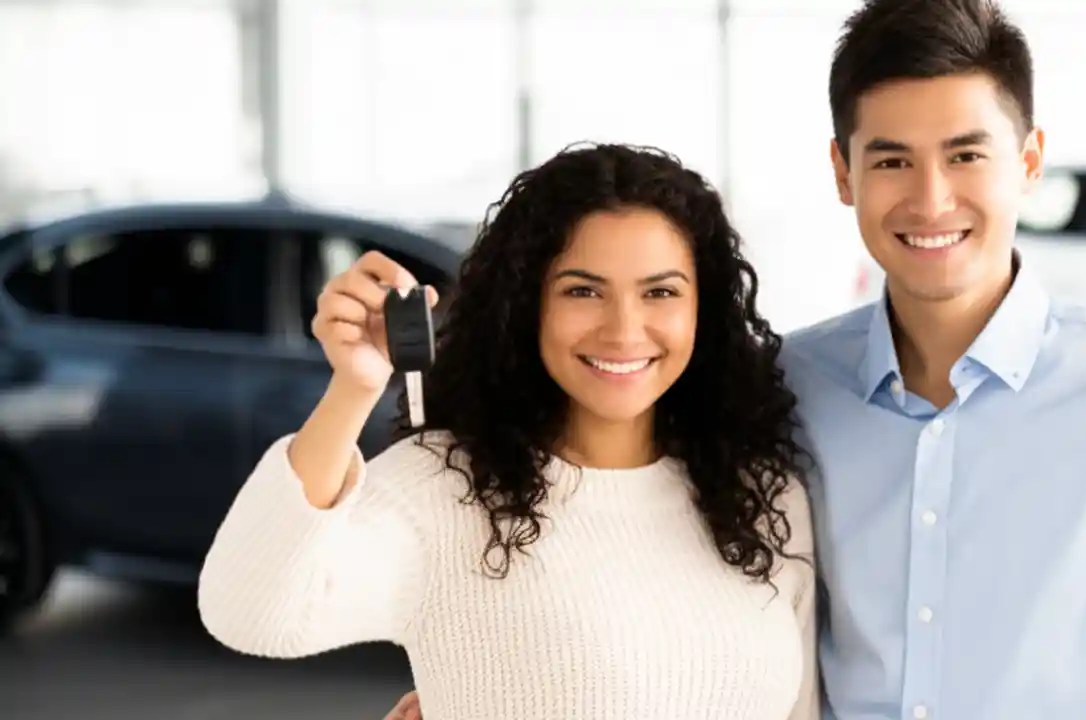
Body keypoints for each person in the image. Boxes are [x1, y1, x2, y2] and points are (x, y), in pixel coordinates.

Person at [389, 1, 1086, 717]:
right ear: (843, 173)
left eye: (967, 154)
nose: (931, 198)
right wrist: (491, 680)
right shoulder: (783, 386)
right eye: (891, 158)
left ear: (1029, 161)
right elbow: (640, 537)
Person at [197, 143, 819, 719]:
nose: (625, 330)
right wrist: (354, 388)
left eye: (660, 291)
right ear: (529, 306)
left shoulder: (761, 496)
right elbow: (251, 612)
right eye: (583, 290)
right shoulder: (445, 487)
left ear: (702, 311)